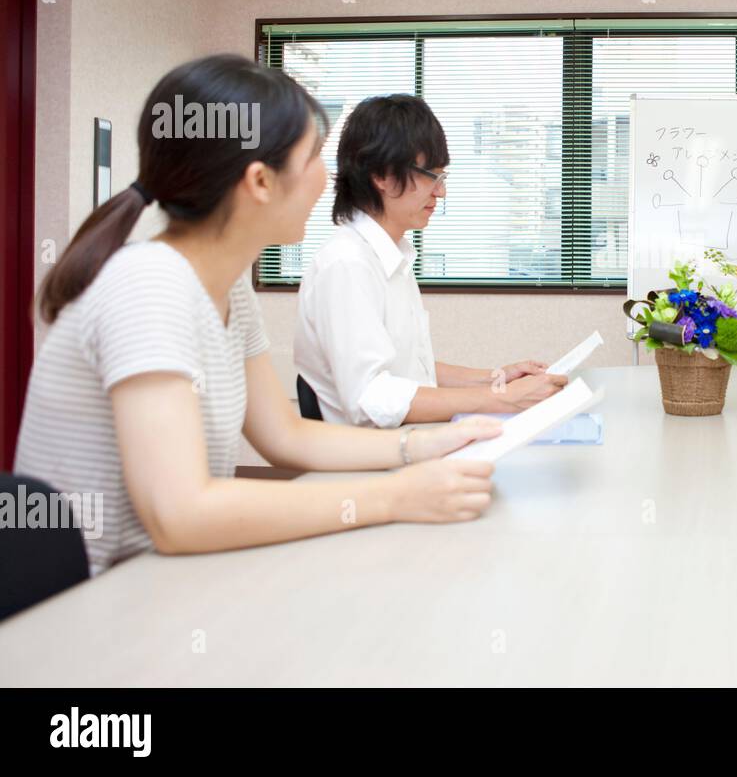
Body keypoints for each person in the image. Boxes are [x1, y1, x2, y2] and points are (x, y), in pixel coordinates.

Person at [15, 55, 502, 575]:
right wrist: (393, 497)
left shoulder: (229, 290)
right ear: (261, 182)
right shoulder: (149, 285)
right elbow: (180, 515)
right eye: (312, 157)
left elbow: (286, 436)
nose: (328, 178)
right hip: (97, 596)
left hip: (164, 576)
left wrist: (422, 444)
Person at [294, 94, 567, 427]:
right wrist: (503, 399)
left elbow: (411, 371)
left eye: (442, 178)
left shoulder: (391, 255)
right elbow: (372, 398)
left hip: (414, 440)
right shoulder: (347, 264)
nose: (441, 192)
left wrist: (498, 379)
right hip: (378, 452)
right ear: (382, 175)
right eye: (431, 176)